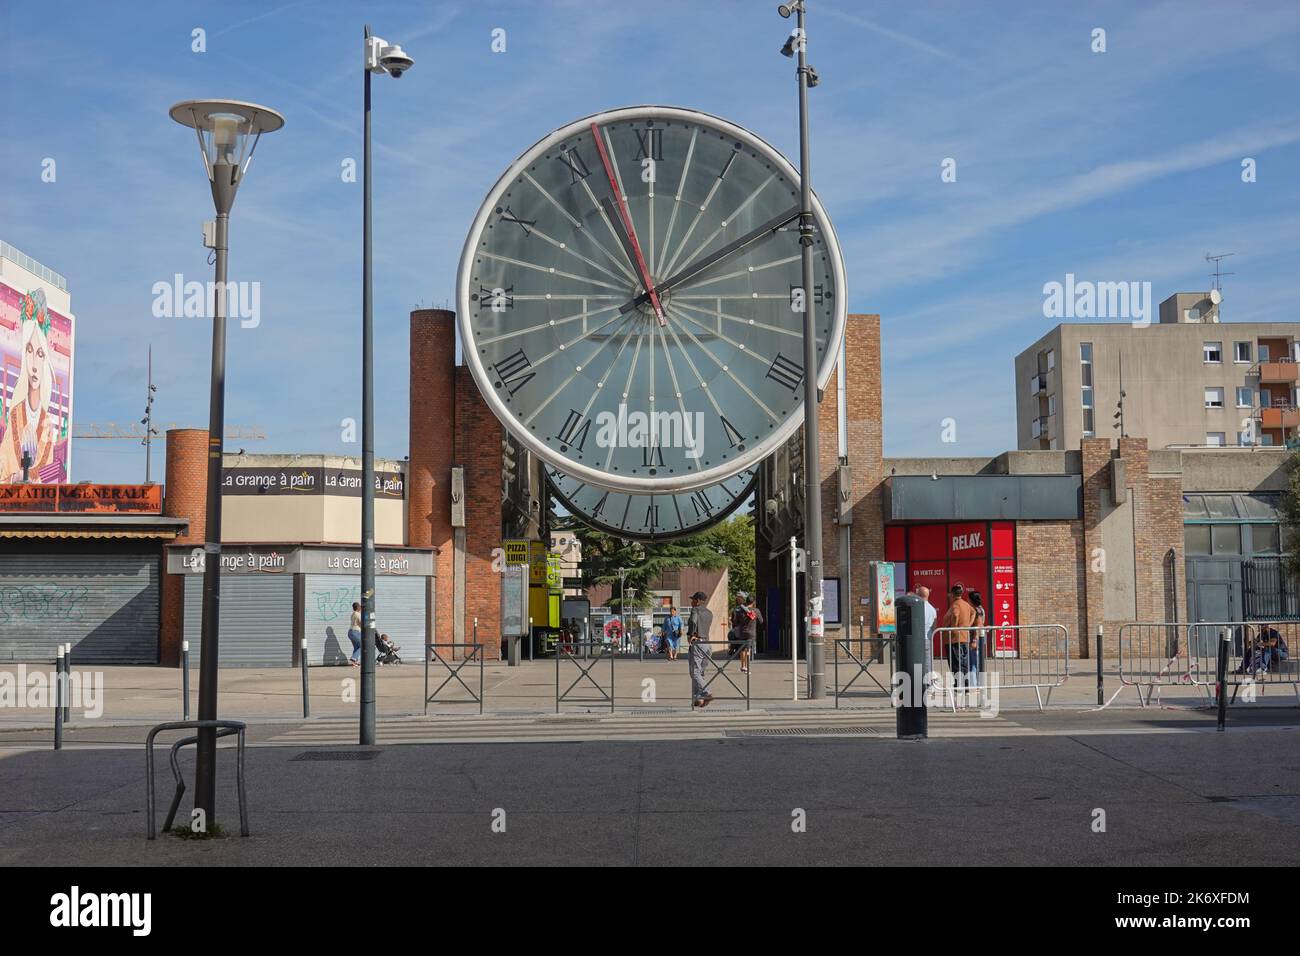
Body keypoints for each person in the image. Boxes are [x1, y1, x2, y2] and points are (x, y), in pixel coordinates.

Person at [1, 289, 61, 483]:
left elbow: (51, 477)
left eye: (40, 353)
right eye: (30, 351)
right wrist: (14, 477)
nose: (34, 364)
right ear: (24, 356)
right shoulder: (16, 415)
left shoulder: (47, 424)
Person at [941, 584, 977, 697]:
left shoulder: (955, 604)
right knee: (964, 663)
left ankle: (959, 686)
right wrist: (968, 625)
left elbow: (956, 614)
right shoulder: (966, 604)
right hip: (964, 637)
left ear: (952, 594)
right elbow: (974, 612)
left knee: (956, 663)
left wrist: (954, 627)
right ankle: (965, 686)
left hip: (954, 639)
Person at [687, 590, 714, 708]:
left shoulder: (695, 610)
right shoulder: (709, 612)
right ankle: (698, 699)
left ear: (697, 601)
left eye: (693, 599)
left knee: (694, 672)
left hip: (698, 642)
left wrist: (691, 633)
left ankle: (707, 692)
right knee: (700, 672)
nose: (691, 602)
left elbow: (693, 621)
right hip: (707, 644)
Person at [730, 591, 763, 674]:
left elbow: (735, 621)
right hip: (751, 633)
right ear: (753, 602)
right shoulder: (756, 610)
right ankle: (747, 667)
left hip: (742, 632)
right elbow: (761, 621)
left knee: (742, 649)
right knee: (748, 650)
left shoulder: (741, 611)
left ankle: (743, 666)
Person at [915, 586, 938, 689]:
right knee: (928, 662)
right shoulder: (932, 609)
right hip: (928, 638)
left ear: (919, 595)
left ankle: (921, 684)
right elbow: (935, 626)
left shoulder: (918, 608)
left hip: (918, 639)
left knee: (917, 662)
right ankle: (930, 684)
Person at [966, 590, 986, 689]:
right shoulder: (981, 609)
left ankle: (974, 685)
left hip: (975, 638)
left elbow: (977, 625)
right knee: (977, 662)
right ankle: (977, 684)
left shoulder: (974, 610)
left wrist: (974, 640)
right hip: (980, 638)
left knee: (973, 662)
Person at [347, 602, 362, 666]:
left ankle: (354, 662)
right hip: (355, 632)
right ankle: (354, 658)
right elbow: (361, 623)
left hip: (351, 632)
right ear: (358, 607)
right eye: (360, 607)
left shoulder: (353, 614)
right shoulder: (358, 614)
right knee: (363, 646)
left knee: (356, 647)